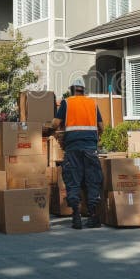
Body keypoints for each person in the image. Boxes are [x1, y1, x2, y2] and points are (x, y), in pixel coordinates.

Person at [48, 77, 104, 229]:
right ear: (83, 90)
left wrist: (49, 130)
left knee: (73, 181)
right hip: (90, 148)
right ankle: (92, 216)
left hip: (73, 148)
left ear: (72, 89)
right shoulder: (92, 103)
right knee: (92, 180)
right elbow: (101, 126)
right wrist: (96, 138)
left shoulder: (67, 102)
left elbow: (55, 123)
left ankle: (76, 216)